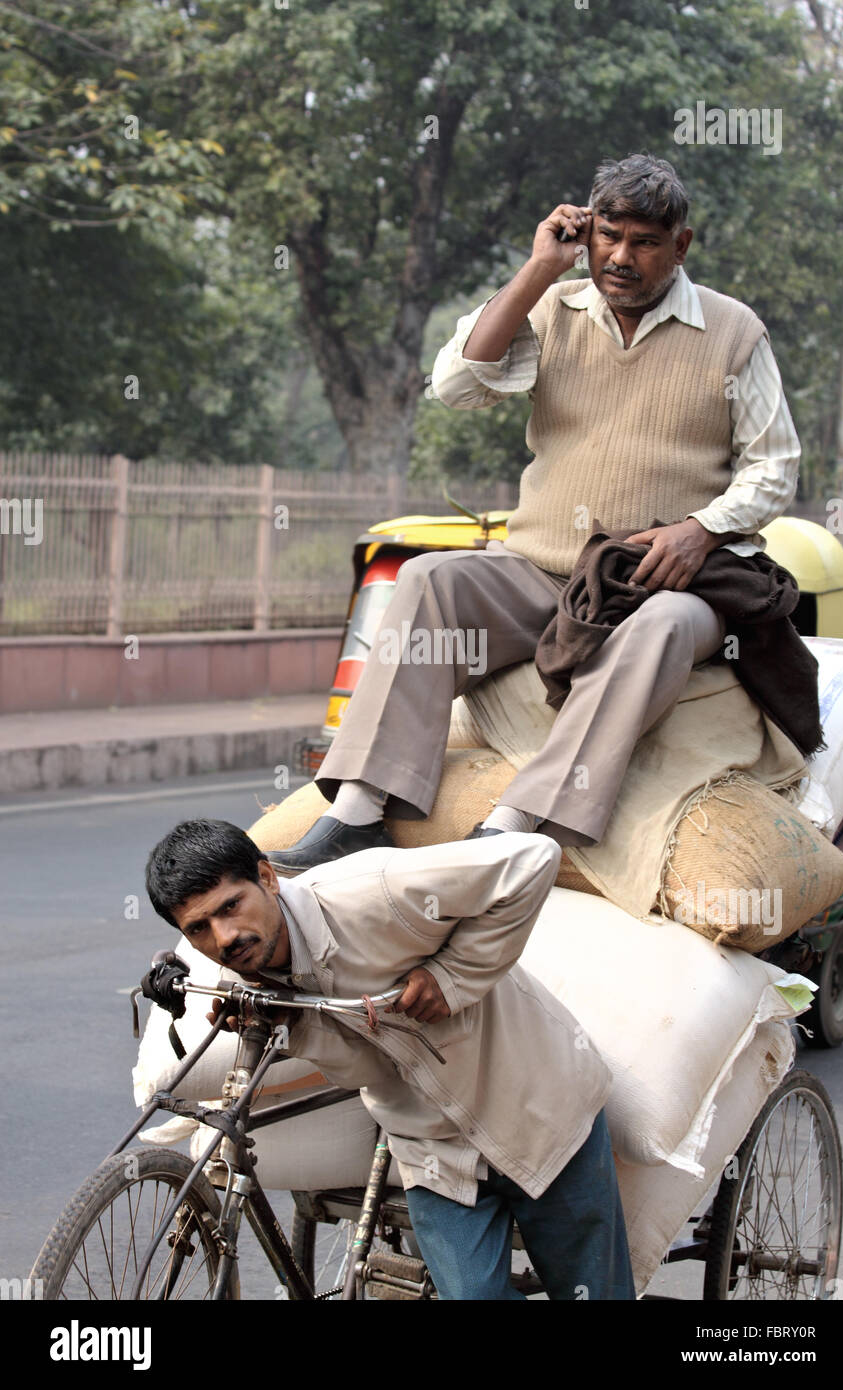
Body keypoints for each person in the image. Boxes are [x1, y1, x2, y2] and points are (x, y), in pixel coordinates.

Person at [268, 151, 800, 874]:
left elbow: (776, 467)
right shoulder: (552, 307)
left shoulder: (734, 333)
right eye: (608, 236)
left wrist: (700, 529)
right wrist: (538, 270)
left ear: (681, 246)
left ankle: (524, 818)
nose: (621, 257)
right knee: (429, 582)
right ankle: (362, 807)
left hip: (674, 582)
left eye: (644, 243)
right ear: (585, 234)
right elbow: (455, 386)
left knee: (665, 626)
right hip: (541, 571)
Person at [144, 817, 635, 1301]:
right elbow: (368, 1071)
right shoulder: (254, 979)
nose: (225, 936)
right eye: (200, 928)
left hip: (540, 1113)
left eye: (232, 905)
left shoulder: (372, 891)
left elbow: (533, 858)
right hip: (433, 1150)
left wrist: (453, 975)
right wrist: (294, 1029)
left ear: (268, 878)